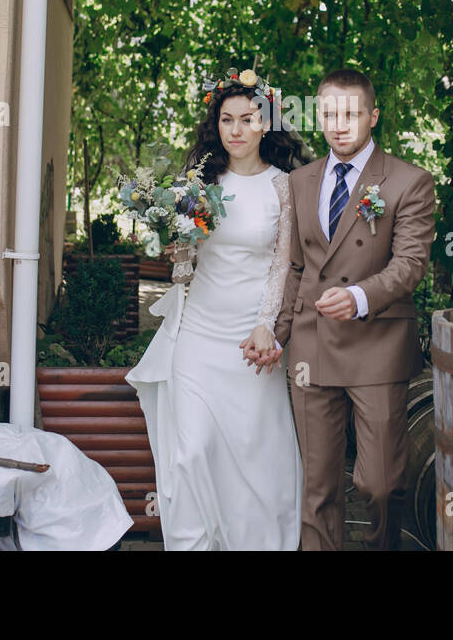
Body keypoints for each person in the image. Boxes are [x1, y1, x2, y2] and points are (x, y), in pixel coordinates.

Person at [245, 68, 436, 551]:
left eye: (350, 113)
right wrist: (278, 333)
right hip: (312, 347)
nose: (339, 123)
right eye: (329, 113)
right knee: (318, 486)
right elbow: (294, 268)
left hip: (377, 346)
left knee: (380, 483)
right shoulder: (300, 182)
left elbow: (411, 264)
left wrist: (359, 297)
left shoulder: (409, 181)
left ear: (372, 116)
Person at [125, 68, 310, 550]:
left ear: (265, 123)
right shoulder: (198, 184)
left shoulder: (285, 188)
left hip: (251, 339)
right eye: (226, 119)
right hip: (197, 333)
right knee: (190, 450)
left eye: (247, 119)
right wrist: (175, 251)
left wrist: (267, 325)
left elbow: (283, 266)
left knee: (254, 455)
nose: (236, 129)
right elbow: (186, 266)